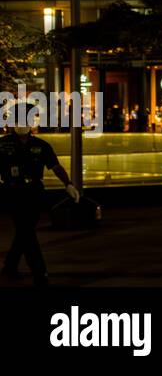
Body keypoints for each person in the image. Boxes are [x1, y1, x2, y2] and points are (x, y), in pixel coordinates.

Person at [0, 104, 80, 286]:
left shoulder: (40, 145)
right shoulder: (2, 145)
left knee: (24, 231)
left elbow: (55, 166)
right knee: (26, 232)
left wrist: (68, 184)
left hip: (34, 192)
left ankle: (10, 266)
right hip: (13, 192)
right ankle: (39, 272)